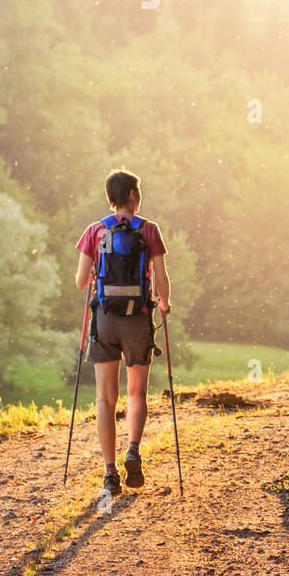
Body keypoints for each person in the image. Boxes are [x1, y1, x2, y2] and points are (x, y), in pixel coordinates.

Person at [75, 169, 171, 494]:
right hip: (138, 318)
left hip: (104, 319)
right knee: (136, 393)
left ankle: (110, 473)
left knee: (105, 398)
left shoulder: (94, 230)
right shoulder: (149, 230)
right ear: (133, 196)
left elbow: (79, 281)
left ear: (110, 197)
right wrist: (164, 302)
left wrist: (93, 278)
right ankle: (133, 449)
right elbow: (160, 278)